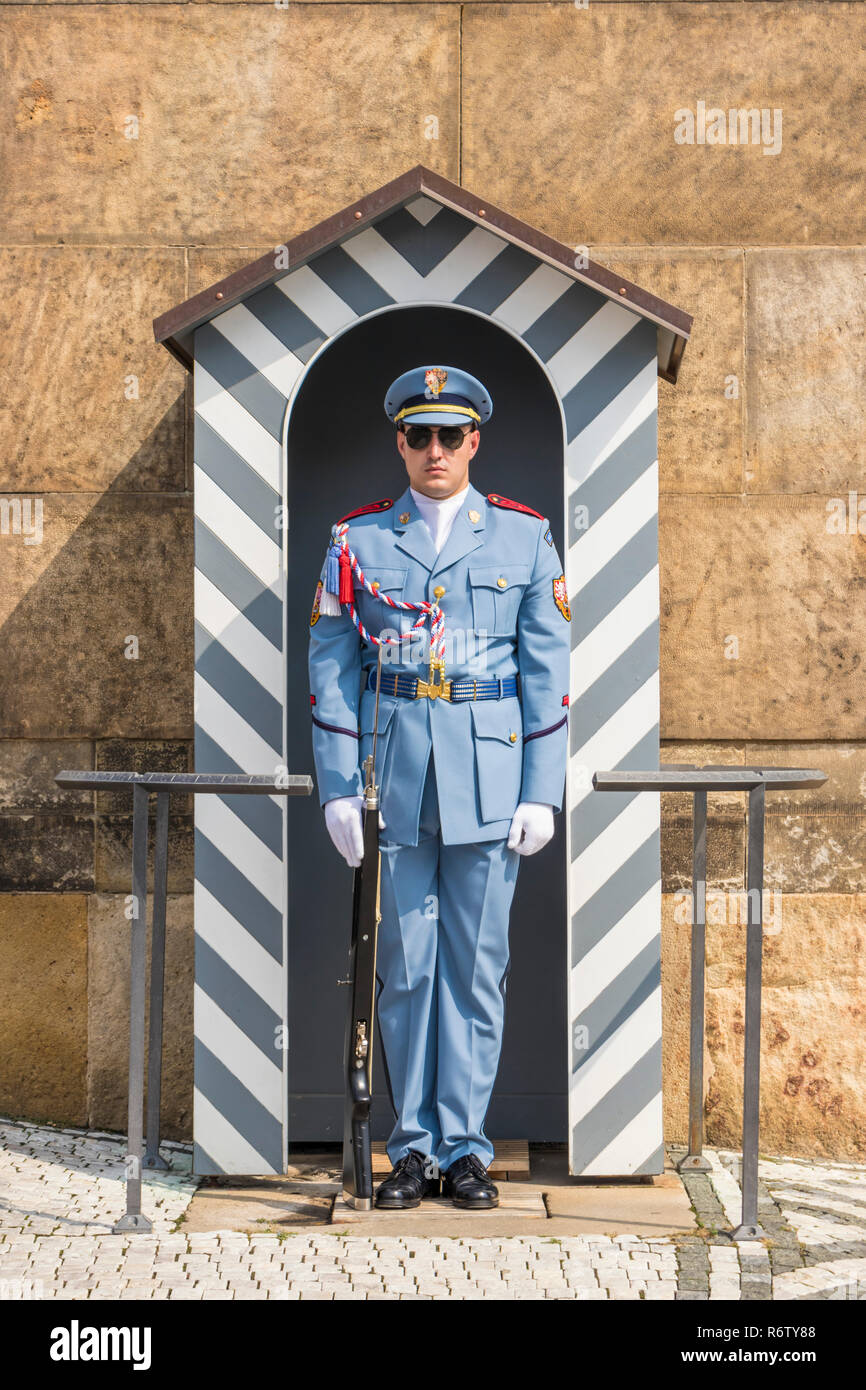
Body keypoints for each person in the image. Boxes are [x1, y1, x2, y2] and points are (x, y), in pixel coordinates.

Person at [307, 365, 570, 1209]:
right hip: (396, 785)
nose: (434, 450)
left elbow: (548, 672)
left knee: (476, 970)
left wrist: (542, 788)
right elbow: (331, 667)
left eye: (449, 435)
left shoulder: (525, 539)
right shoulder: (358, 542)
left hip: (491, 785)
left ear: (474, 443)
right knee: (407, 968)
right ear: (400, 442)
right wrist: (340, 787)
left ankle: (466, 1149)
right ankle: (410, 1147)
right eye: (419, 435)